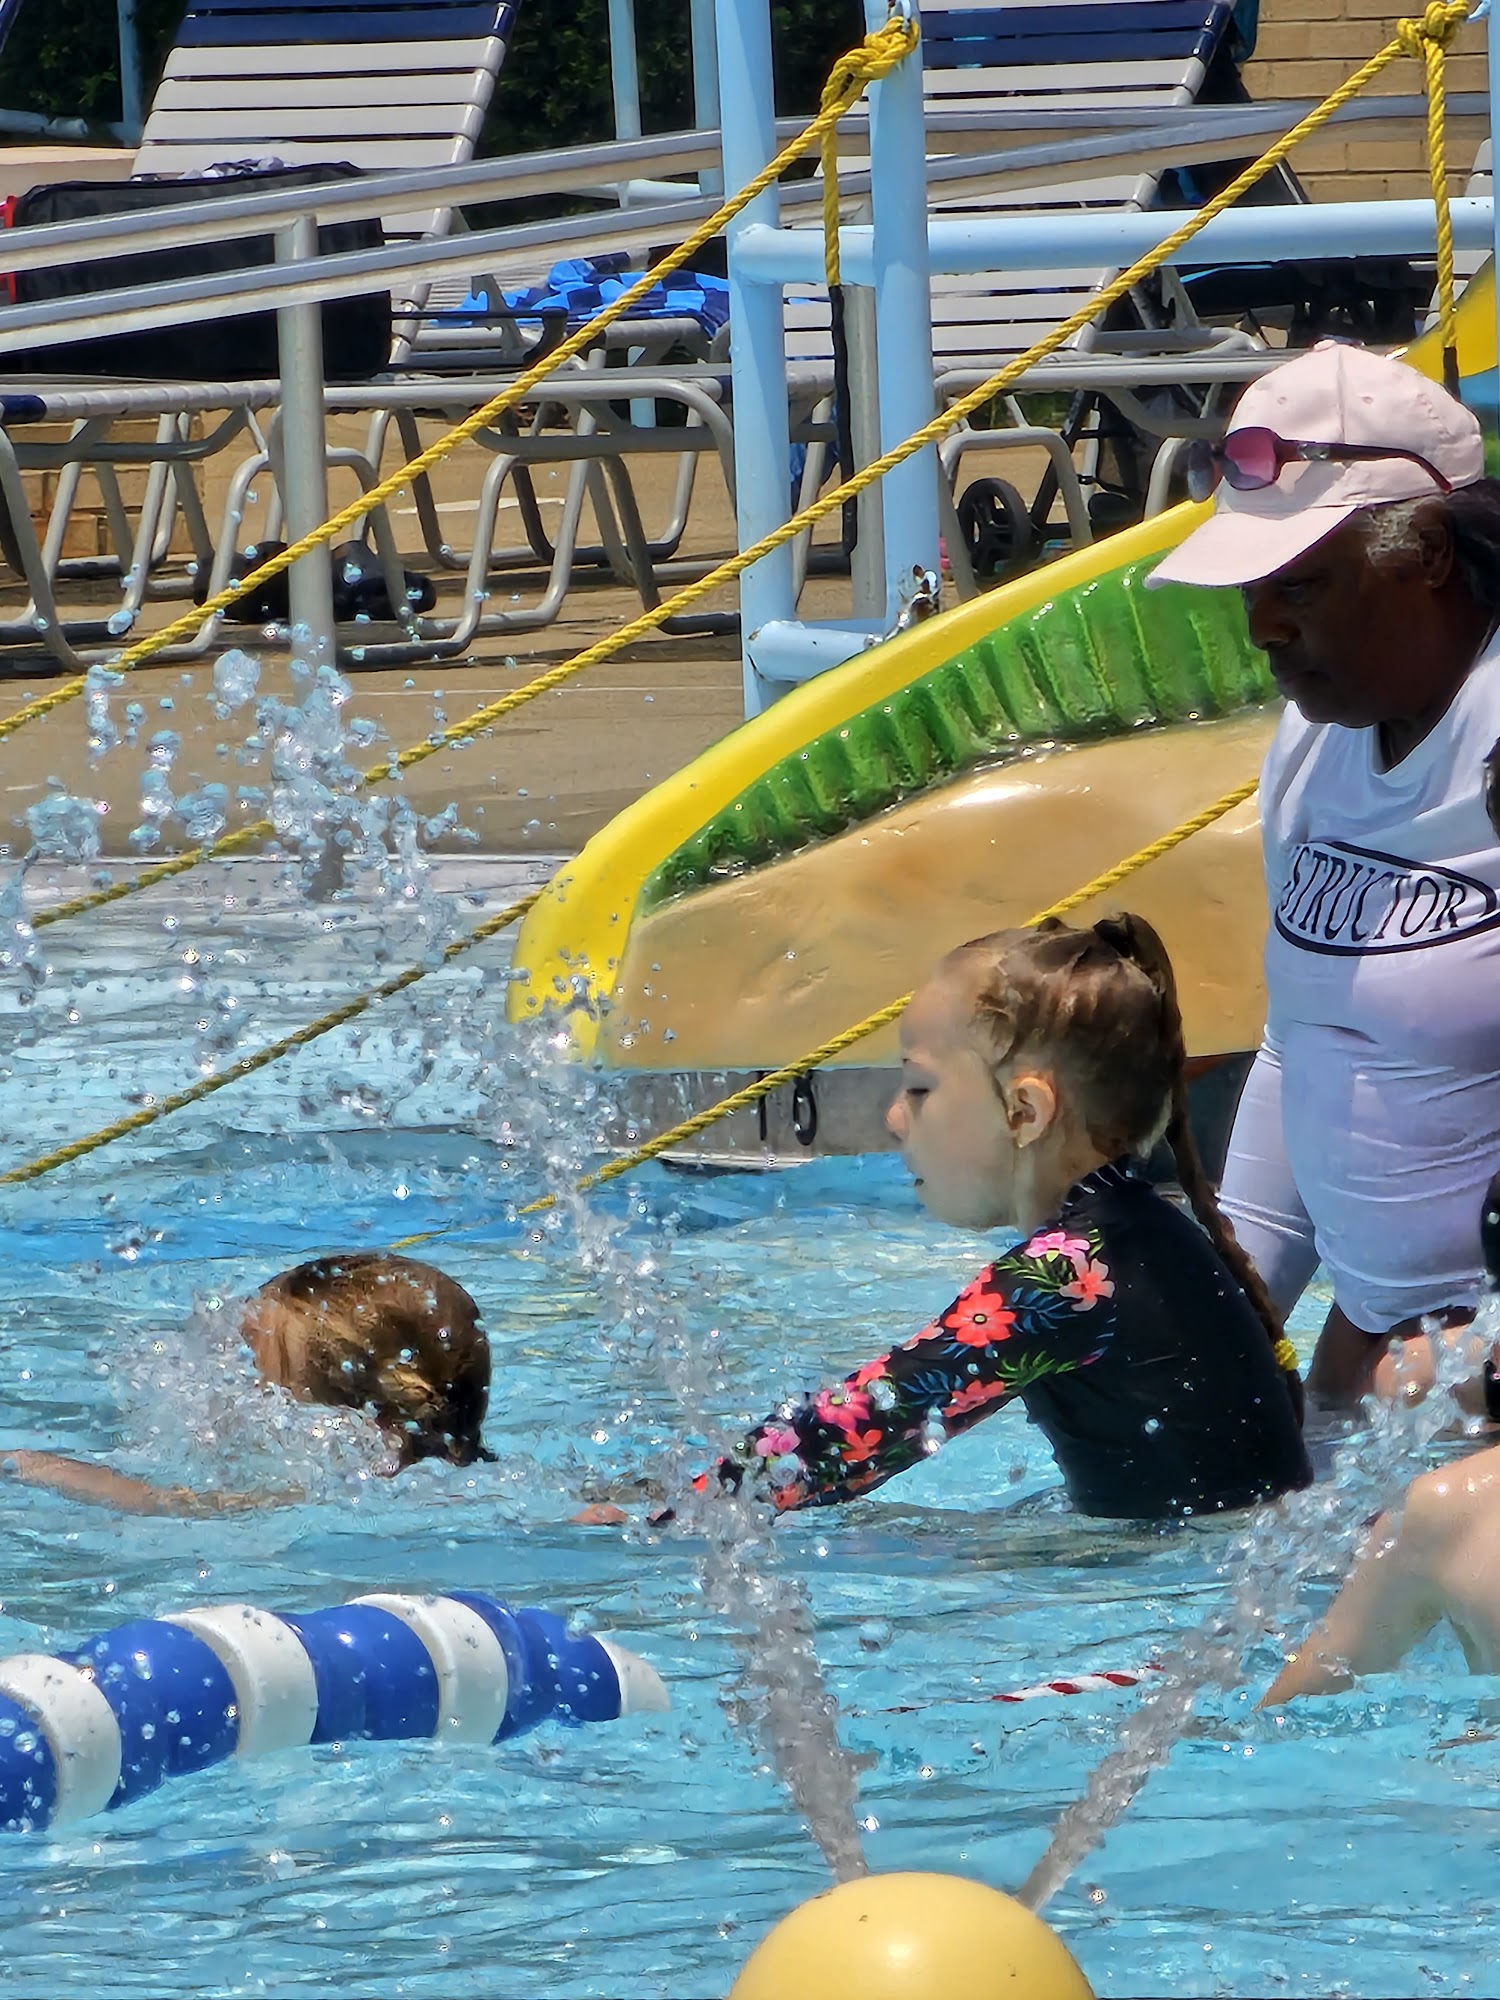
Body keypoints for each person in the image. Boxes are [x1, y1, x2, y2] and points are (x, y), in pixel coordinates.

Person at [1147, 340, 1500, 1409]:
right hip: (1382, 1364)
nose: (1262, 625)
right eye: (1251, 586)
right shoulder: (1314, 743)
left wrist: (1468, 1368)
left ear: (1425, 550)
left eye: (1298, 583)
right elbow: (1301, 1045)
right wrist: (1225, 1318)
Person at [707, 916, 1312, 1521]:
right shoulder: (1136, 1229)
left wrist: (681, 1513)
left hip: (1187, 1573)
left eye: (919, 1088)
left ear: (1024, 1111)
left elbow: (855, 1429)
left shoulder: (1066, 1276)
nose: (894, 1118)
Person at [2, 1252, 494, 1514]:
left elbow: (165, 1504)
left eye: (263, 1379)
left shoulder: (333, 1493)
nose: (245, 1391)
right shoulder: (472, 1489)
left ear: (366, 1427)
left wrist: (27, 1465)